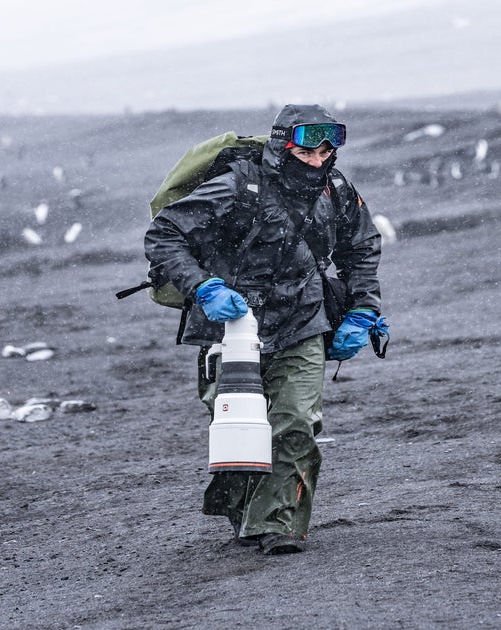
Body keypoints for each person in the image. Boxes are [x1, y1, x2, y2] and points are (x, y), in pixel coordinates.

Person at [144, 104, 385, 555]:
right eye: (307, 150)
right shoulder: (238, 184)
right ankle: (246, 516)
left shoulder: (336, 188)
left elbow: (362, 246)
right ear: (283, 144)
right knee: (237, 427)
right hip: (229, 325)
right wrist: (203, 287)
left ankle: (277, 525)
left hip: (302, 320)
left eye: (326, 151)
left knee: (294, 423)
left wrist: (363, 308)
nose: (317, 160)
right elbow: (164, 234)